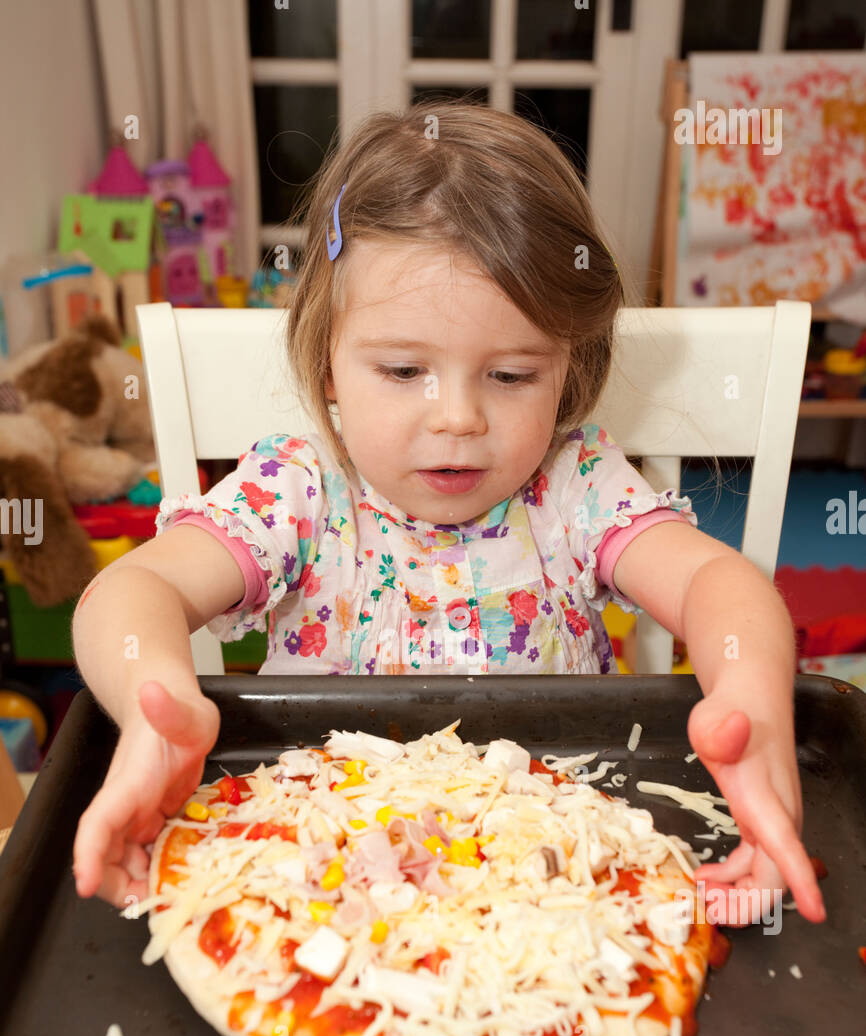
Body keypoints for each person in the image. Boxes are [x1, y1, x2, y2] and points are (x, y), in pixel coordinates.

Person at [71, 101, 826, 926]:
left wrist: (751, 698)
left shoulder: (570, 487)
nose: (457, 417)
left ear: (568, 368)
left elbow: (719, 583)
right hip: (322, 883)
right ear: (327, 362)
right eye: (402, 370)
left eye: (510, 376)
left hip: (549, 884)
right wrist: (155, 699)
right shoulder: (303, 488)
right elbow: (131, 592)